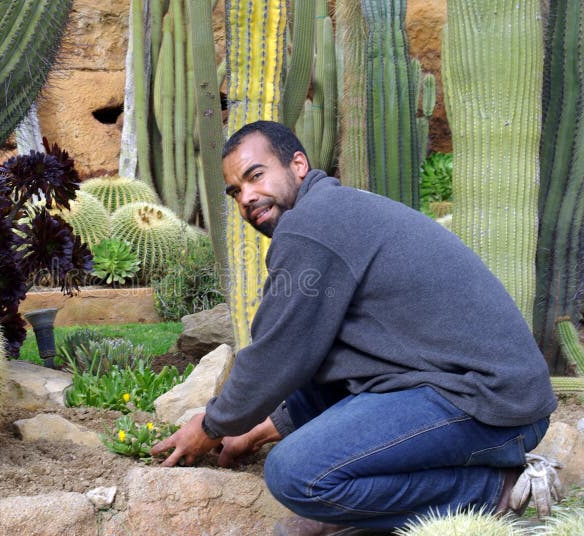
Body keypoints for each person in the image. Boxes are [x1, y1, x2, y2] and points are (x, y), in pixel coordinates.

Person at [150, 120, 559, 534]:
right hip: (481, 396)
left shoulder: (312, 225)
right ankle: (362, 514)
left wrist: (212, 425)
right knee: (310, 454)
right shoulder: (331, 211)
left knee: (295, 473)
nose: (247, 197)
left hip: (491, 408)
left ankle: (495, 489)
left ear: (298, 165)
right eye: (236, 191)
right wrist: (260, 430)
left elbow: (275, 354)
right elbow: (321, 359)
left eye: (255, 175)